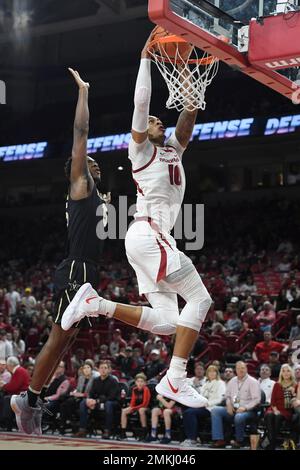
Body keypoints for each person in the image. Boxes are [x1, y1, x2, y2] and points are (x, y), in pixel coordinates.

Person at [61, 26, 212, 408]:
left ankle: (97, 305)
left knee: (166, 322)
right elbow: (142, 104)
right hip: (147, 234)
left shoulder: (173, 150)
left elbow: (189, 117)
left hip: (150, 238)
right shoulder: (141, 151)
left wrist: (188, 76)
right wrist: (147, 58)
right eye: (154, 121)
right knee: (200, 299)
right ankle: (176, 378)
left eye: (162, 121)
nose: (158, 120)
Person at [10, 68, 108, 436]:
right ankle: (27, 401)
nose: (93, 161)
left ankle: (32, 400)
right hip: (76, 270)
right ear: (77, 171)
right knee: (57, 336)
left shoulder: (96, 196)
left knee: (65, 340)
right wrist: (83, 92)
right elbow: (80, 133)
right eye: (88, 161)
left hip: (89, 271)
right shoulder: (80, 184)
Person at [210, 361, 261, 448]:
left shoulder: (253, 382)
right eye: (238, 368)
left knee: (239, 416)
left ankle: (239, 441)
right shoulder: (232, 381)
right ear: (235, 370)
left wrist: (245, 408)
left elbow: (257, 400)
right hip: (234, 408)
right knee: (215, 410)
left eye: (243, 368)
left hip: (249, 411)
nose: (241, 370)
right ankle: (219, 440)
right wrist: (229, 405)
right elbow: (228, 396)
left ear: (246, 369)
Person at [182, 365, 225, 447]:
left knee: (190, 412)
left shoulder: (220, 383)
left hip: (213, 408)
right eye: (210, 371)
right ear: (207, 373)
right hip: (203, 406)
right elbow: (201, 396)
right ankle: (191, 437)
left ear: (217, 373)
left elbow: (220, 399)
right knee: (187, 411)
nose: (212, 373)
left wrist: (207, 403)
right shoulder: (206, 383)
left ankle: (192, 439)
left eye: (213, 371)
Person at [75, 361, 119, 439]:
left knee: (108, 404)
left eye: (105, 368)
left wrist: (97, 401)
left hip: (112, 402)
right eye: (101, 368)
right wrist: (89, 400)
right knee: (83, 402)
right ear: (98, 370)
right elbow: (91, 393)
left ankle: (107, 430)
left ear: (109, 370)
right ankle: (82, 429)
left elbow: (111, 396)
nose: (103, 370)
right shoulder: (96, 380)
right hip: (97, 401)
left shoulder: (113, 380)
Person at [264, 364, 298, 450]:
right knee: (269, 415)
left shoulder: (295, 385)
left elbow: (296, 400)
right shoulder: (277, 384)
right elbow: (272, 400)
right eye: (283, 371)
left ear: (291, 373)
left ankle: (271, 443)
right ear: (281, 373)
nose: (286, 373)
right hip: (274, 407)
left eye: (288, 371)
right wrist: (275, 410)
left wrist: (293, 393)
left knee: (278, 416)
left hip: (286, 410)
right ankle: (273, 442)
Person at [120, 373, 151, 441]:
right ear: (136, 382)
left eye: (141, 381)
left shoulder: (146, 389)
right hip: (136, 407)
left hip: (146, 407)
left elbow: (145, 404)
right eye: (138, 381)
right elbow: (133, 402)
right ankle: (123, 433)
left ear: (145, 383)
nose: (139, 383)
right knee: (124, 411)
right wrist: (131, 407)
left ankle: (144, 432)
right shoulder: (134, 389)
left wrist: (133, 408)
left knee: (141, 410)